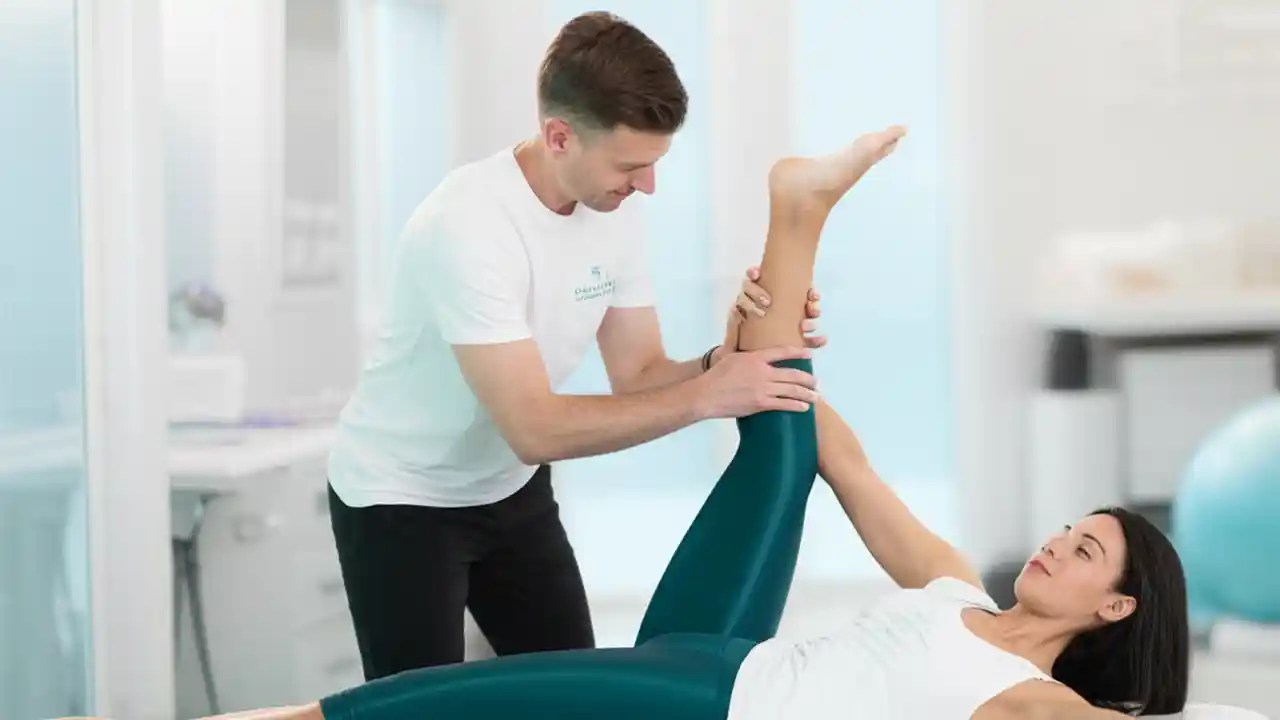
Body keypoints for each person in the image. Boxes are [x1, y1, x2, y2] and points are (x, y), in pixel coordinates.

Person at [179, 125, 1191, 720]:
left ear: (1114, 610)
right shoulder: (952, 587)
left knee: (394, 714)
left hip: (704, 709)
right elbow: (848, 465)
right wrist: (745, 358)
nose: (1058, 542)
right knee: (787, 430)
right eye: (1071, 528)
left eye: (1086, 547)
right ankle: (796, 213)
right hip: (720, 650)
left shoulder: (1034, 701)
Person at [325, 10, 825, 682]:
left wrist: (721, 360)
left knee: (578, 696)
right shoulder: (470, 225)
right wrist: (707, 398)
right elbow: (535, 426)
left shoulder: (614, 213)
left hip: (510, 490)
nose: (647, 185)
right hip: (403, 498)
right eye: (631, 165)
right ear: (559, 136)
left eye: (655, 163)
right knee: (420, 705)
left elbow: (641, 372)